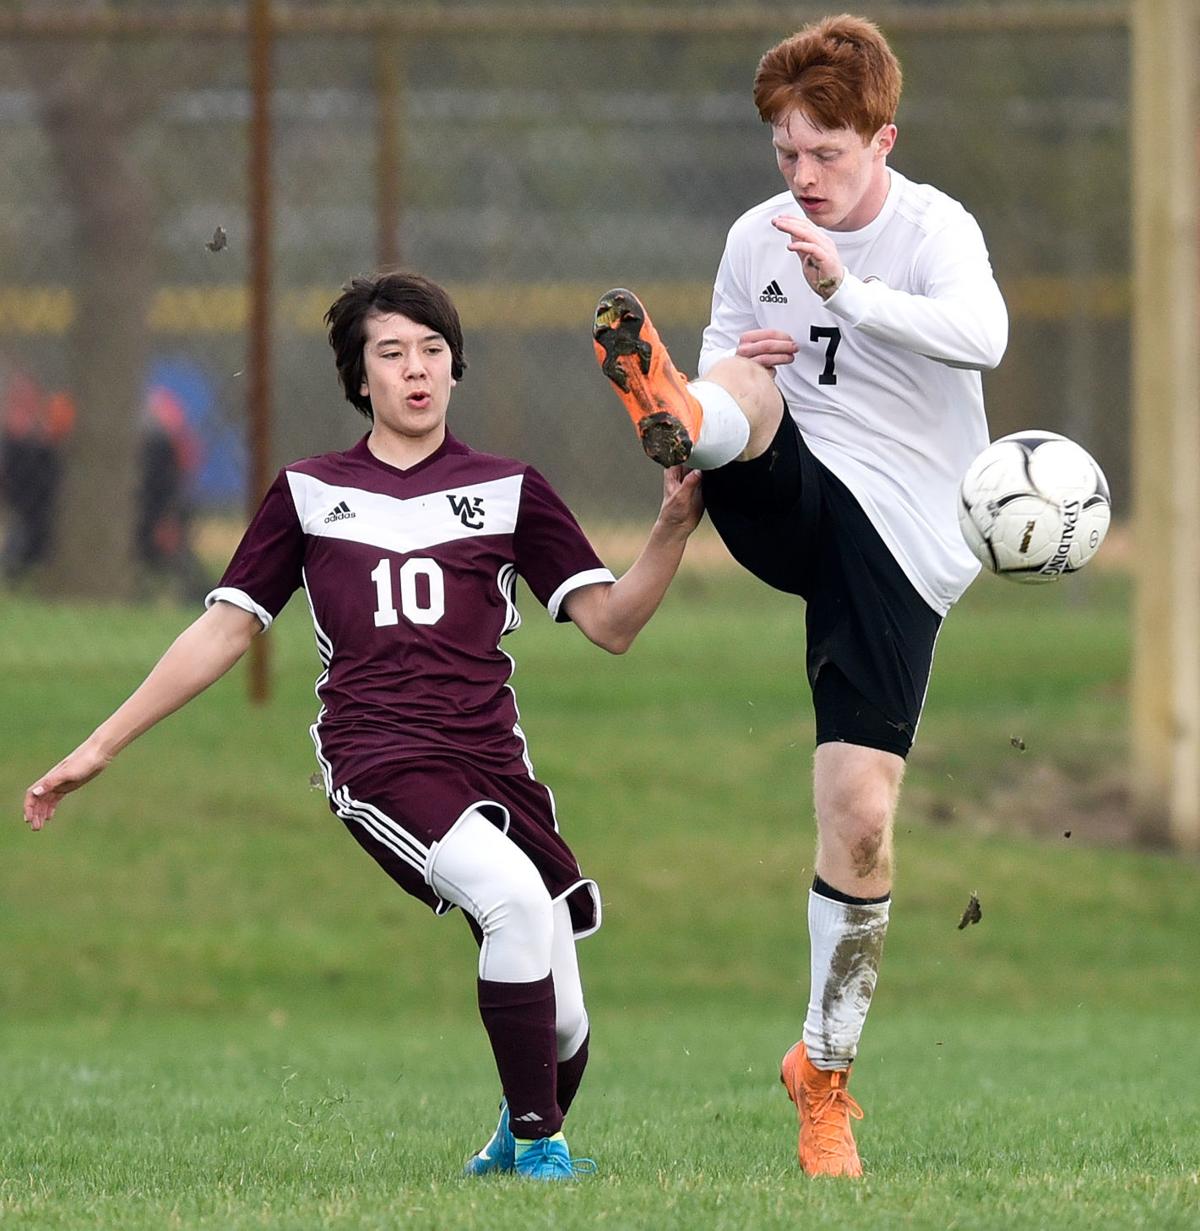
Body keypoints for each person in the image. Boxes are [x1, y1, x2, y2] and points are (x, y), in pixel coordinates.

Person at [24, 271, 704, 1182]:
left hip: (494, 766)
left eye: (431, 351)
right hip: (379, 758)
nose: (416, 370)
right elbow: (224, 628)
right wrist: (98, 746)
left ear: (455, 368)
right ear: (360, 377)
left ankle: (514, 1132)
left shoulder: (510, 490)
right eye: (392, 353)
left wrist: (669, 527)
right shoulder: (310, 494)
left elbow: (613, 626)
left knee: (567, 1017)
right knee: (507, 901)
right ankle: (544, 1150)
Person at [592, 14, 1007, 1177]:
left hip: (905, 535)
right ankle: (673, 411)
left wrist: (852, 292)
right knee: (740, 383)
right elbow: (744, 342)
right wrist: (705, 426)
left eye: (826, 153)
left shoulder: (935, 232)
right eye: (786, 153)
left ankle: (823, 1074)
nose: (803, 177)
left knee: (861, 815)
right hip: (787, 485)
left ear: (883, 138)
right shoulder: (756, 234)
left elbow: (985, 333)